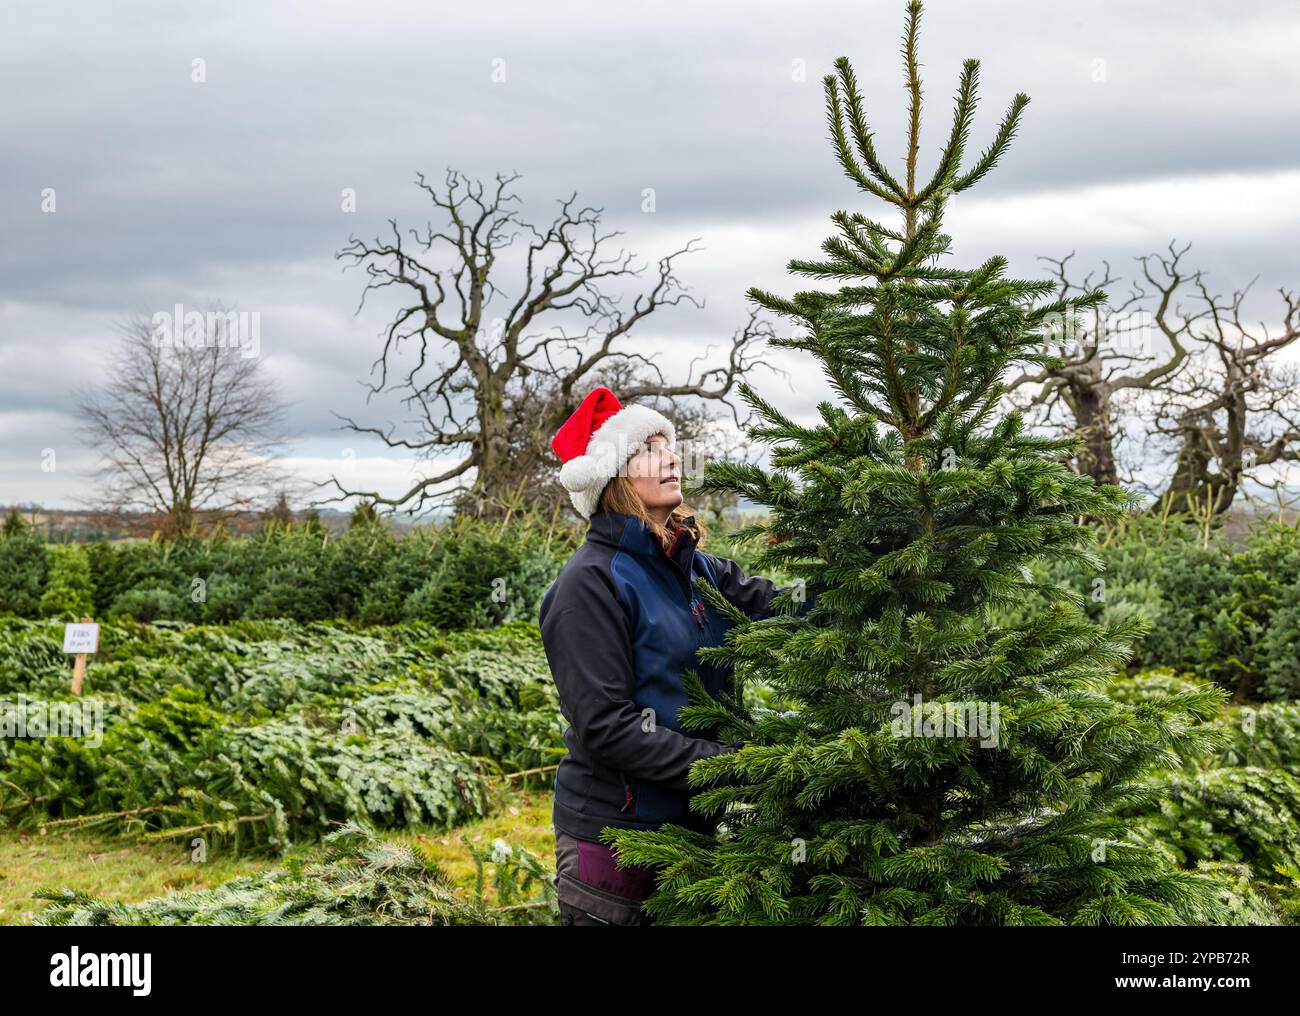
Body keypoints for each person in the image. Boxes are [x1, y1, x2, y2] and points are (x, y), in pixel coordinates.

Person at [540, 385, 812, 926]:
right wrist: (731, 770)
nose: (670, 457)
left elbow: (782, 610)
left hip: (696, 825)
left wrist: (874, 569)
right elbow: (608, 727)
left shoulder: (697, 570)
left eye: (670, 444)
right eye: (646, 449)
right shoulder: (588, 584)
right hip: (616, 841)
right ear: (611, 477)